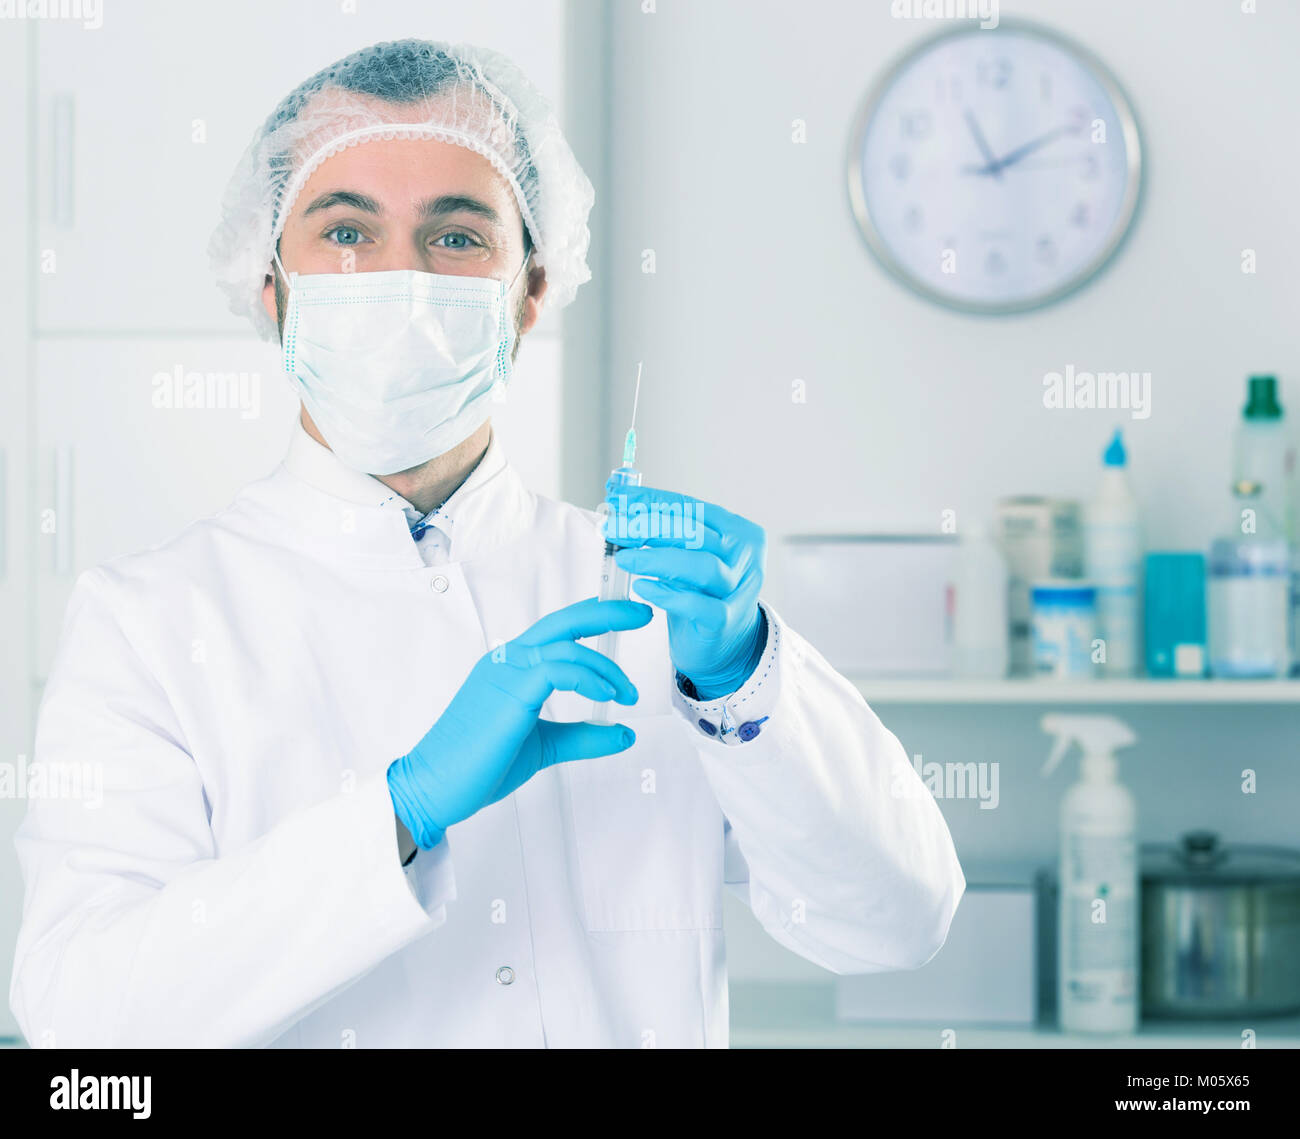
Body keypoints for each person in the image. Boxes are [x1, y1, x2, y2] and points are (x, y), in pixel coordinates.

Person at [9, 39, 963, 1048]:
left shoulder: (653, 601)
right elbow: (83, 1014)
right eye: (344, 232)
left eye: (457, 238)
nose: (401, 280)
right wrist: (399, 810)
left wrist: (744, 678)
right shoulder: (153, 620)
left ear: (532, 289)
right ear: (267, 281)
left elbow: (898, 920)